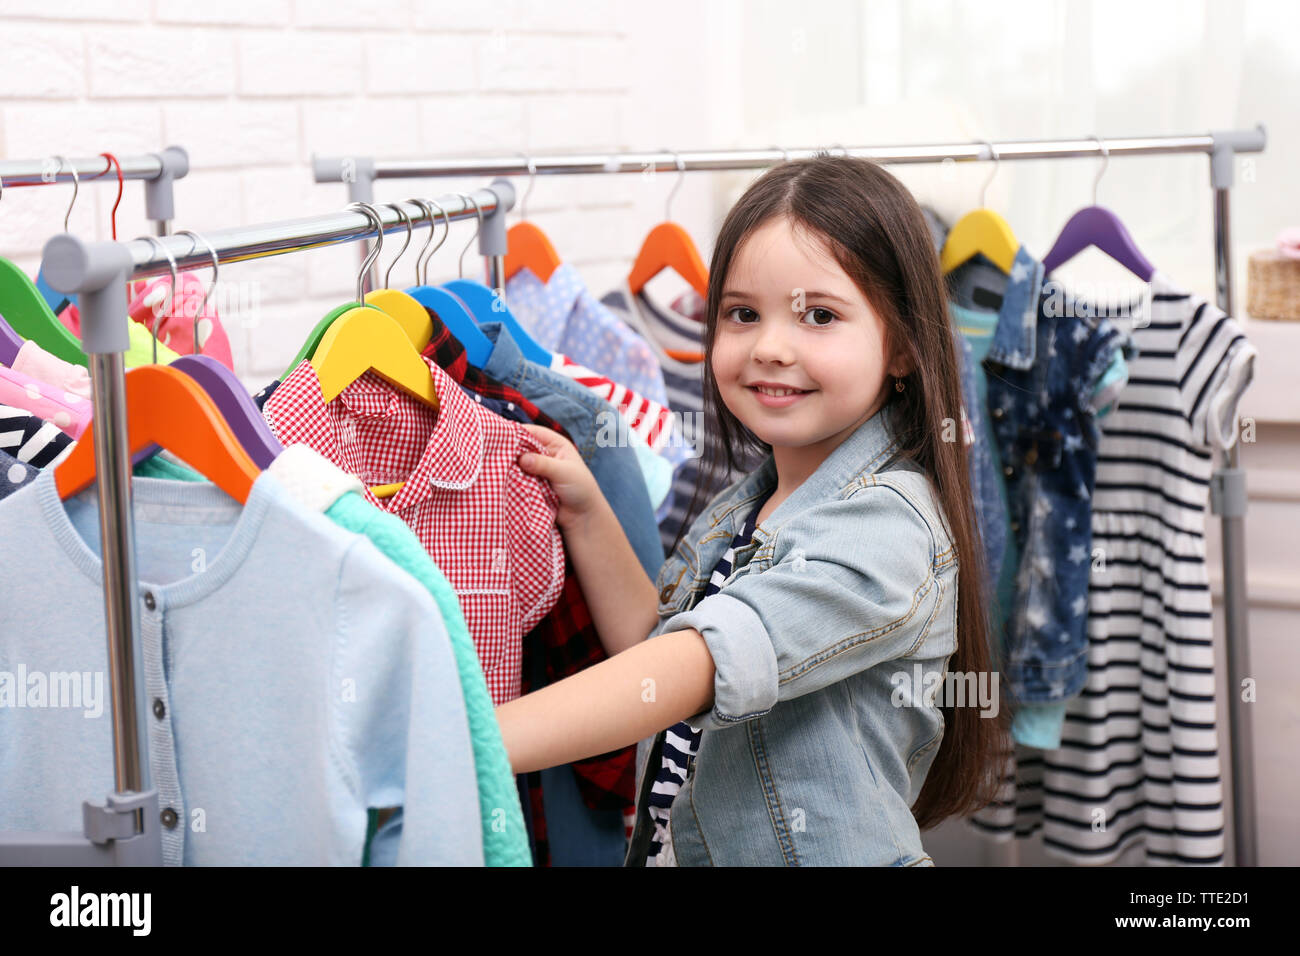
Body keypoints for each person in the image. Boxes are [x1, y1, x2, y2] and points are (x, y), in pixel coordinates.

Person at [499, 154, 1010, 866]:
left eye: (820, 317)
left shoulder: (889, 528)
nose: (770, 347)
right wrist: (587, 514)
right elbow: (656, 653)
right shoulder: (746, 505)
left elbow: (701, 664)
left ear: (902, 347)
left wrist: (476, 736)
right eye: (742, 314)